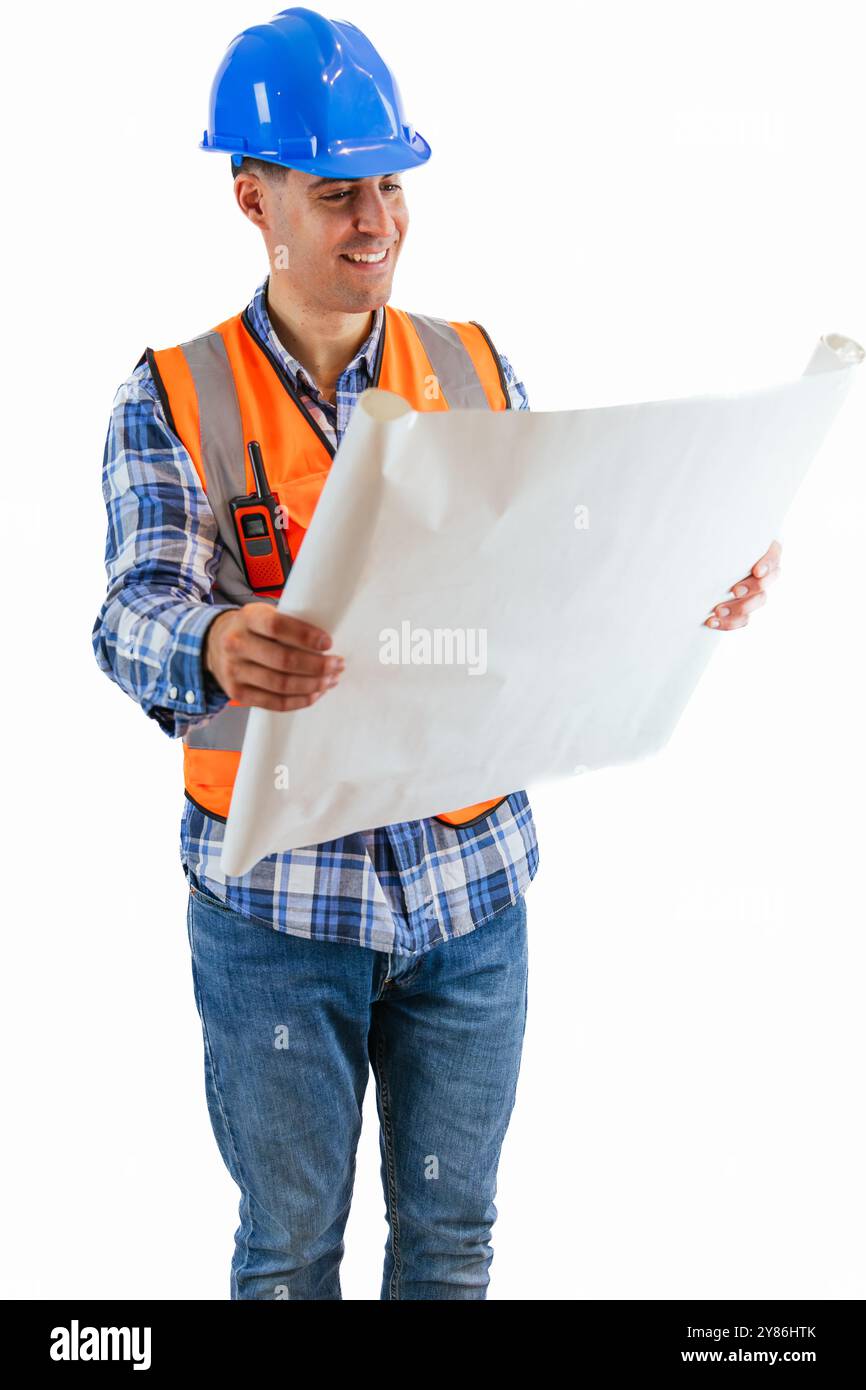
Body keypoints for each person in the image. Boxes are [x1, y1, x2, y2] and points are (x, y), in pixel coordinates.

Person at [92, 6, 781, 1301]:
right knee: (289, 1255)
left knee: (452, 1249)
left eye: (391, 186)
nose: (377, 223)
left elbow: (547, 582)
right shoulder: (171, 398)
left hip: (470, 894)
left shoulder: (469, 365)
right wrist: (217, 638)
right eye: (337, 190)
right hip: (277, 915)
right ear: (255, 202)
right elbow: (128, 617)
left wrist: (684, 579)